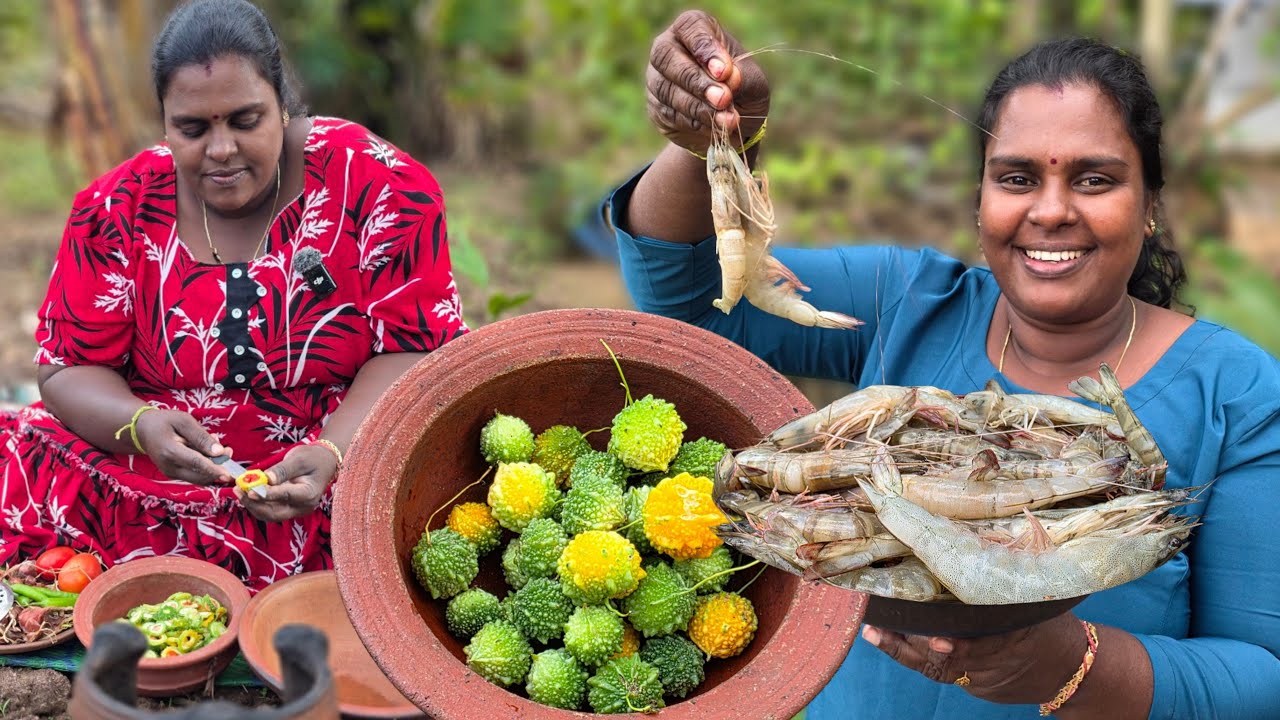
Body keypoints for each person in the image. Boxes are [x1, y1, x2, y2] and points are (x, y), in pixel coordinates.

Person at [611, 10, 1280, 719]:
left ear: (1149, 206)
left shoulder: (1235, 394)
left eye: (1094, 180)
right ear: (980, 201)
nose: (1050, 210)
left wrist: (1068, 666)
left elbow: (1263, 678)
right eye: (1017, 177)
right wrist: (700, 147)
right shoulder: (912, 301)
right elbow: (686, 297)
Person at [0, 0, 466, 591]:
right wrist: (140, 425)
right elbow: (68, 366)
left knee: (438, 504)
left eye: (245, 121)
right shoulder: (116, 210)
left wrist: (332, 453)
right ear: (165, 123)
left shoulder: (374, 184)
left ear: (284, 105)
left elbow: (419, 346)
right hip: (155, 468)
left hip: (341, 458)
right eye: (192, 129)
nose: (220, 150)